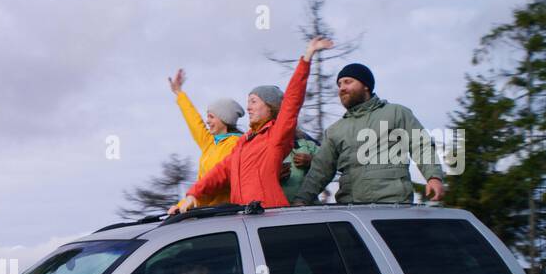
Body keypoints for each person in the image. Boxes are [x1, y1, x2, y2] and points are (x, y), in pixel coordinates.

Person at [171, 37, 334, 214]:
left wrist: (306, 58)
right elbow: (219, 172)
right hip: (242, 220)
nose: (248, 107)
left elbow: (291, 103)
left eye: (254, 102)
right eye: (248, 102)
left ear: (270, 107)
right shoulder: (243, 144)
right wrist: (193, 195)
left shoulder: (274, 136)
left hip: (268, 219)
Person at [295, 63, 446, 204]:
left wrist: (433, 177)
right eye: (339, 84)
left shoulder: (395, 113)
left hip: (393, 203)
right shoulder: (335, 130)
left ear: (365, 85)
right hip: (352, 209)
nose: (341, 88)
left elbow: (421, 145)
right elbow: (320, 170)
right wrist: (301, 200)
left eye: (348, 82)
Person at [167, 69, 244, 207]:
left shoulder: (234, 145)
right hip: (205, 210)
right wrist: (179, 93)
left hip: (223, 214)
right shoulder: (210, 143)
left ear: (224, 119)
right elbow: (194, 121)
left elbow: (216, 183)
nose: (207, 121)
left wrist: (185, 205)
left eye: (211, 117)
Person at [281, 129, 320, 205]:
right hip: (274, 209)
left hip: (308, 207)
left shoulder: (308, 144)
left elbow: (329, 163)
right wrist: (272, 175)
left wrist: (313, 161)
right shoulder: (259, 146)